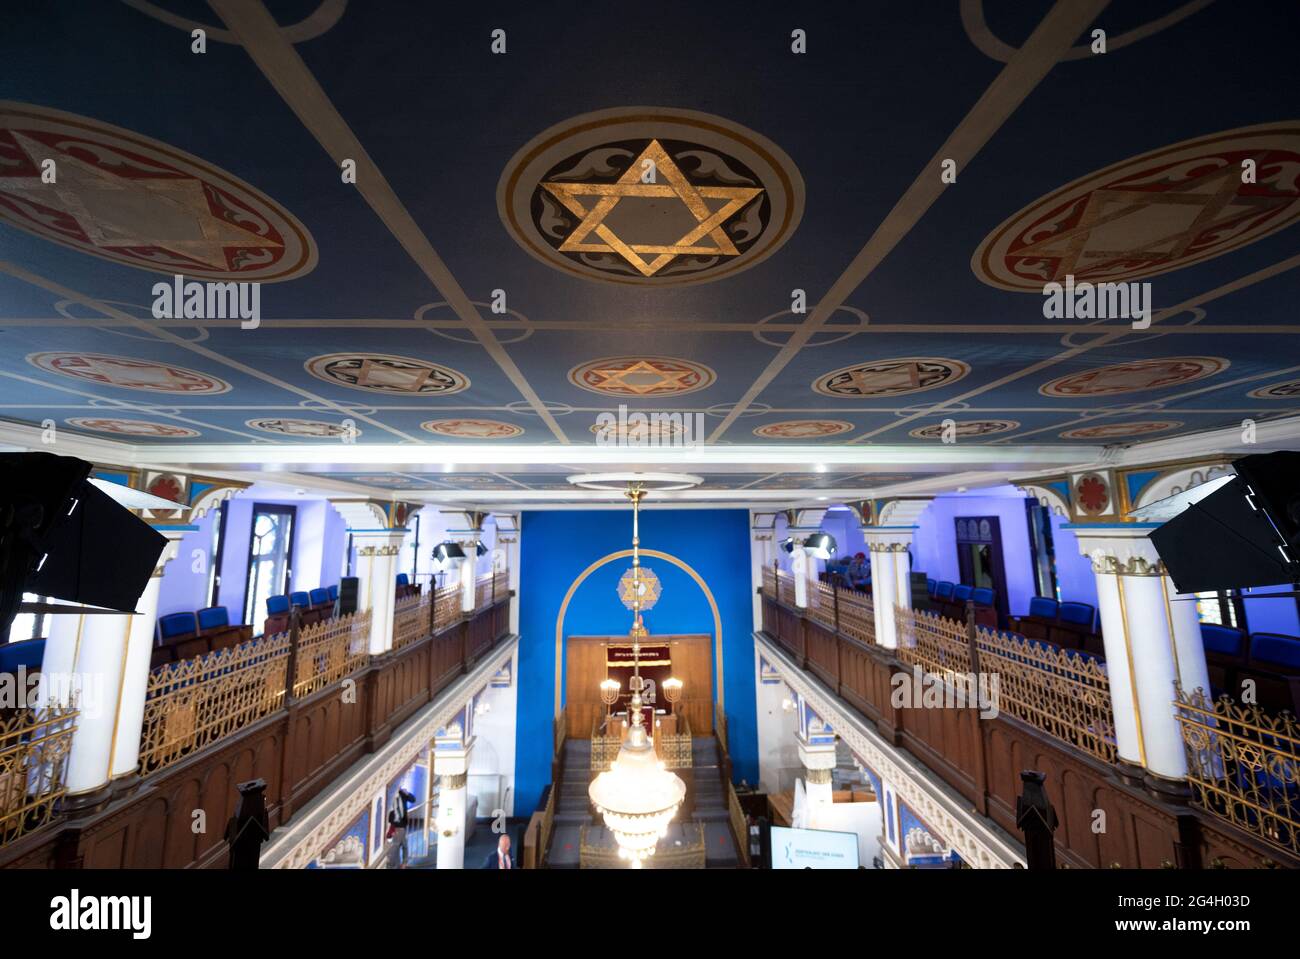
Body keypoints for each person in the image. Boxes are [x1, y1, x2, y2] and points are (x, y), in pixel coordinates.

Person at [386, 787, 416, 868]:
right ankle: (396, 865)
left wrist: (407, 793)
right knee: (395, 847)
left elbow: (413, 800)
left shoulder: (402, 794)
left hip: (403, 824)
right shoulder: (388, 795)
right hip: (393, 826)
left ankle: (403, 864)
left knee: (403, 845)